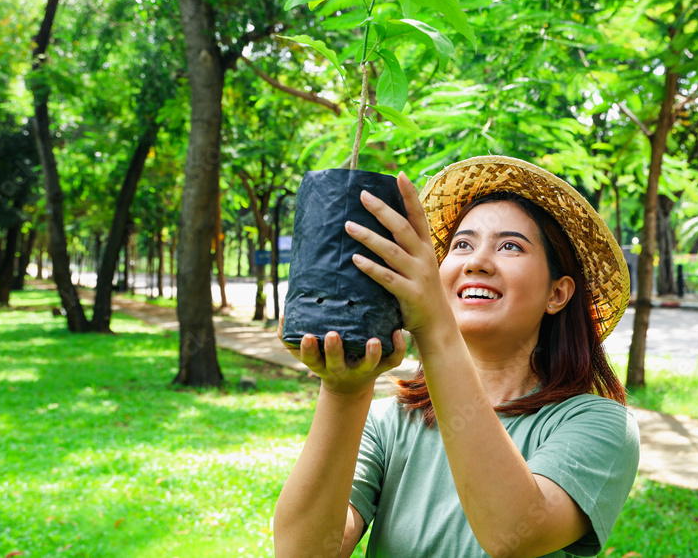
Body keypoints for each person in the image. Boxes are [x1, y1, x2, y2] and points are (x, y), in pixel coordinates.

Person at [274, 155, 640, 557]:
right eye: (462, 244)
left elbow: (512, 534)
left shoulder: (599, 424)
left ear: (557, 294)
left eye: (510, 246)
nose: (477, 262)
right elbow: (303, 552)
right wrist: (344, 393)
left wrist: (434, 331)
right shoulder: (390, 422)